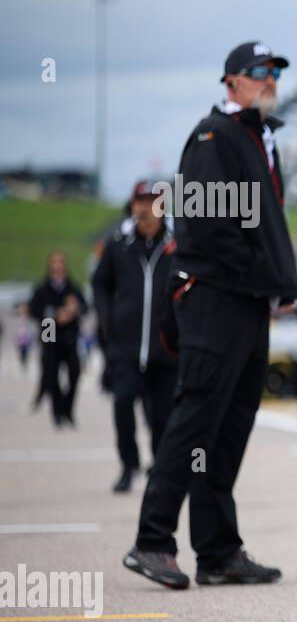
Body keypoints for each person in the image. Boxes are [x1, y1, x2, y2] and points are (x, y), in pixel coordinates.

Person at [123, 40, 297, 591]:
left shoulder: (257, 138)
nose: (269, 79)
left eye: (273, 72)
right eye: (258, 72)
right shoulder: (213, 136)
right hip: (215, 299)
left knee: (229, 428)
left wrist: (275, 285)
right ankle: (152, 541)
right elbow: (204, 227)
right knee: (195, 419)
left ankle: (219, 551)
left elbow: (263, 226)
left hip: (248, 304)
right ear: (231, 82)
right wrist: (261, 275)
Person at [92, 181, 178, 493]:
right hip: (126, 348)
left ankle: (160, 467)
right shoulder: (118, 244)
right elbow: (100, 283)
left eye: (152, 200)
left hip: (165, 348)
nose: (145, 206)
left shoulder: (176, 245)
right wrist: (106, 318)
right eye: (140, 200)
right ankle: (128, 465)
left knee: (162, 416)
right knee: (123, 403)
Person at [28, 251, 87, 428]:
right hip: (50, 336)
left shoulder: (73, 288)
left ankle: (67, 409)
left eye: (61, 264)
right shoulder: (42, 289)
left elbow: (85, 307)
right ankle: (57, 414)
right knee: (52, 377)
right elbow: (34, 309)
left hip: (69, 338)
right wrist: (55, 314)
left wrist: (74, 309)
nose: (58, 267)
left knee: (75, 372)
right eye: (54, 264)